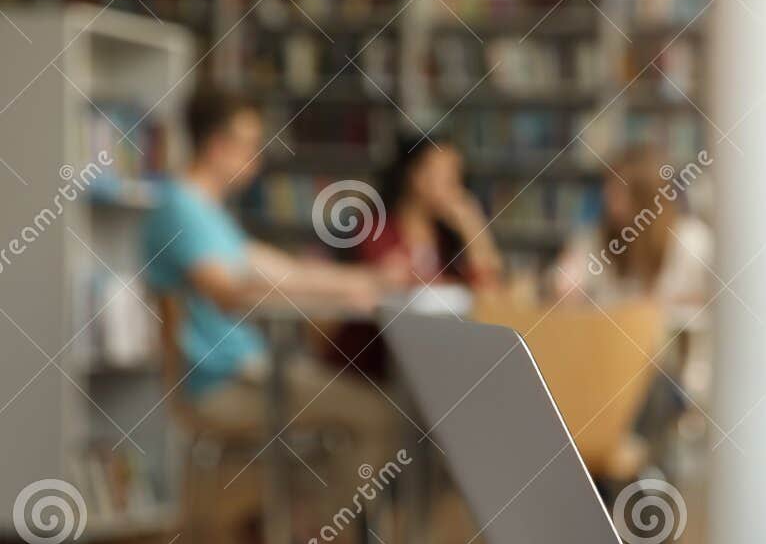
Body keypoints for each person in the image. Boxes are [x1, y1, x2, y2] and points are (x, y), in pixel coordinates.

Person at [142, 88, 398, 468]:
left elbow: (285, 272)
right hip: (220, 385)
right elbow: (229, 294)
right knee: (382, 416)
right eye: (249, 145)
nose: (256, 159)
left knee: (377, 405)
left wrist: (368, 279)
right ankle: (307, 523)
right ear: (217, 145)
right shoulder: (182, 212)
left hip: (254, 373)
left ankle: (289, 521)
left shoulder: (210, 214)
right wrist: (348, 288)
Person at [548, 144, 712, 311]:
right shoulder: (594, 239)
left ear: (647, 197)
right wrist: (562, 285)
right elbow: (564, 285)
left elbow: (711, 301)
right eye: (608, 189)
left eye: (619, 192)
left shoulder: (692, 239)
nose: (608, 200)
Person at [361, 135, 503, 290]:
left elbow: (489, 285)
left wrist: (473, 226)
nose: (454, 187)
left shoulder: (448, 234)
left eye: (456, 176)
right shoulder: (376, 227)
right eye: (443, 175)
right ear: (414, 176)